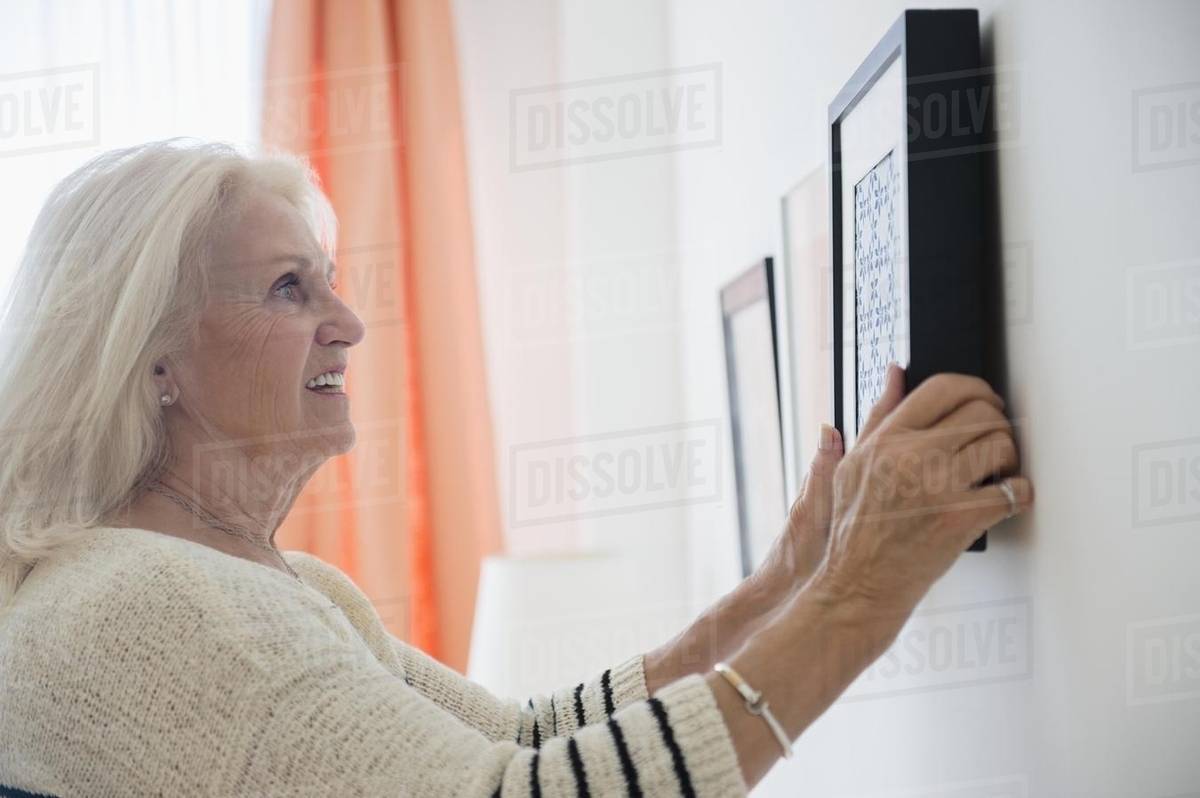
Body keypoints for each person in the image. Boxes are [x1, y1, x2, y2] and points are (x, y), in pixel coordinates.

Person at [0, 140, 1032, 797]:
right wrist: (859, 594)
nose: (348, 325)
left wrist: (784, 587)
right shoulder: (156, 607)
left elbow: (523, 738)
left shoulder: (262, 582)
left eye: (327, 286)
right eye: (286, 289)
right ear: (154, 358)